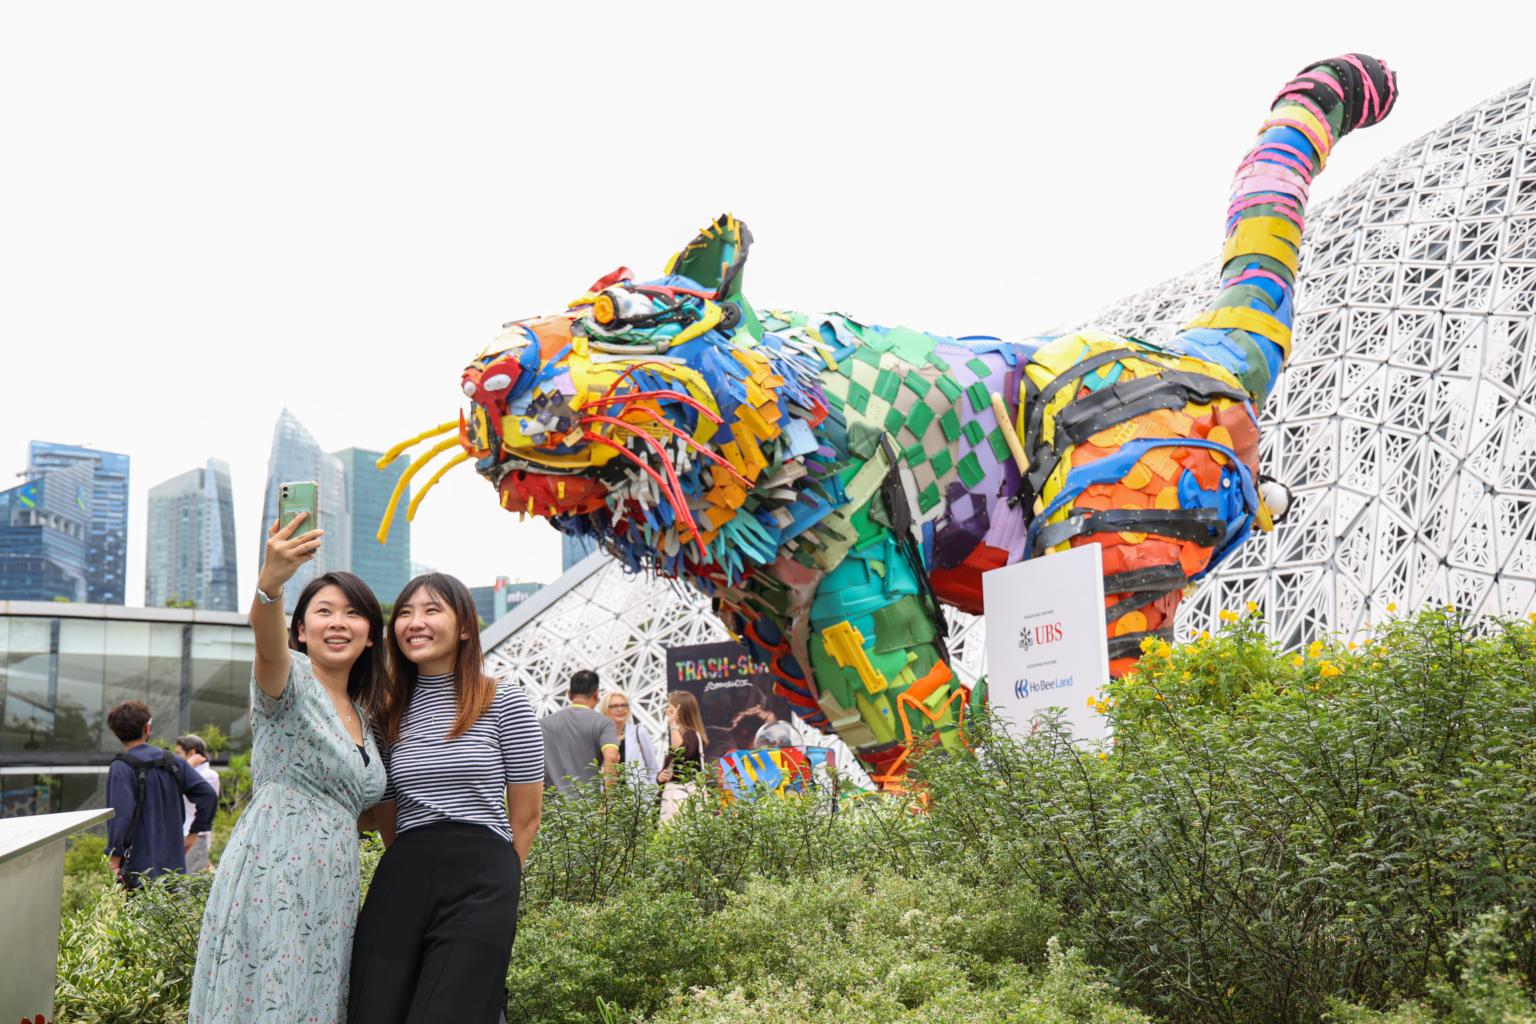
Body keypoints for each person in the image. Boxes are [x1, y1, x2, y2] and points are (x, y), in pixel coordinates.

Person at [190, 514, 389, 1023]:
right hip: (274, 871)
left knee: (314, 999)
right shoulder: (289, 679)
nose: (338, 622)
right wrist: (271, 583)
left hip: (334, 886)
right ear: (301, 630)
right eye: (323, 612)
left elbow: (369, 813)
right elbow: (265, 641)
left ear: (370, 635)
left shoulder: (365, 716)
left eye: (352, 614)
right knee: (270, 996)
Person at [349, 572, 544, 1023]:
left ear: (464, 627)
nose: (415, 622)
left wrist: (499, 884)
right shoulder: (386, 713)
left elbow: (527, 818)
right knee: (373, 1009)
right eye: (405, 613)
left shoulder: (504, 701)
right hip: (405, 868)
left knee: (450, 1011)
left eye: (432, 610)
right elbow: (386, 812)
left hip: (483, 872)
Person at [104, 701, 217, 888]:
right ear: (147, 728)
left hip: (138, 870)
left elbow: (121, 816)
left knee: (138, 916)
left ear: (117, 733)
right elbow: (208, 795)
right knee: (172, 914)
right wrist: (194, 832)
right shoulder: (171, 761)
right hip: (174, 867)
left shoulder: (121, 768)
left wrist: (115, 858)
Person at [539, 669, 619, 795]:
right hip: (588, 808)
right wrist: (607, 803)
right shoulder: (604, 723)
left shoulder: (543, 724)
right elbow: (612, 757)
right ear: (596, 694)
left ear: (569, 694)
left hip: (553, 808)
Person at [657, 690, 709, 823]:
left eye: (671, 707)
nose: (667, 710)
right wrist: (660, 776)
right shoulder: (680, 735)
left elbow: (681, 753)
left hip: (683, 797)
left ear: (681, 710)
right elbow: (671, 765)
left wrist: (672, 724)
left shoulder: (691, 735)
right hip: (673, 797)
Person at [176, 733, 221, 873]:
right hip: (183, 831)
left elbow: (176, 784)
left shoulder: (209, 775)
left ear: (193, 752)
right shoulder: (193, 773)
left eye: (179, 754)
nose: (177, 758)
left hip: (195, 835)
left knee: (189, 882)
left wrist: (186, 766)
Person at [597, 690, 660, 790]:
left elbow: (653, 769)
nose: (620, 709)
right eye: (614, 706)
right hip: (609, 799)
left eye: (624, 705)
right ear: (605, 710)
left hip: (638, 799)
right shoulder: (599, 737)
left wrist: (651, 794)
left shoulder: (639, 732)